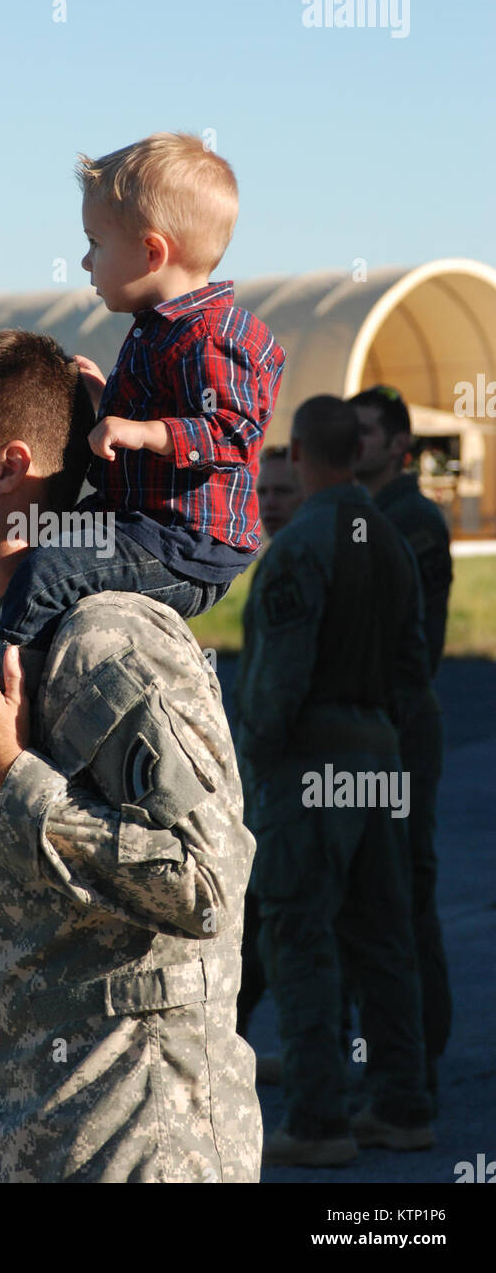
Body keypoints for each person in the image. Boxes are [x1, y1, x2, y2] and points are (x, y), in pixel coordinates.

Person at [0, 331, 262, 1183]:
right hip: (49, 1146)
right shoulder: (12, 642)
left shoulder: (107, 640)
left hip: (143, 1150)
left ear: (10, 470)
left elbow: (208, 883)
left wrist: (15, 777)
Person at [0, 131, 284, 787]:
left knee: (52, 567)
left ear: (151, 250)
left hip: (187, 542)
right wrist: (103, 397)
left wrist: (149, 434)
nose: (84, 263)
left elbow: (233, 434)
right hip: (146, 523)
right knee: (30, 553)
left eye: (94, 244)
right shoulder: (159, 331)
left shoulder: (213, 339)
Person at [234, 395, 434, 1167]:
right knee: (384, 935)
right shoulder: (389, 539)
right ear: (358, 451)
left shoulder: (299, 547)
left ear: (301, 452)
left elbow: (277, 681)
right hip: (380, 757)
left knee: (301, 935)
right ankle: (401, 1103)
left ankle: (317, 1120)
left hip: (311, 764)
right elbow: (415, 666)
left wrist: (261, 756)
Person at [350, 384, 453, 1103]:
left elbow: (391, 635)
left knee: (405, 894)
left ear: (397, 445)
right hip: (375, 729)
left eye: (367, 433)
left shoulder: (409, 518)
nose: (356, 444)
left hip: (402, 728)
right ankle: (389, 1053)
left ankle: (419, 1056)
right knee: (370, 895)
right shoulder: (369, 514)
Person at [235, 447, 303, 1046]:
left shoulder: (297, 565)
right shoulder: (278, 559)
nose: (272, 503)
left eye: (285, 491)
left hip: (285, 773)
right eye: (266, 492)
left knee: (282, 921)